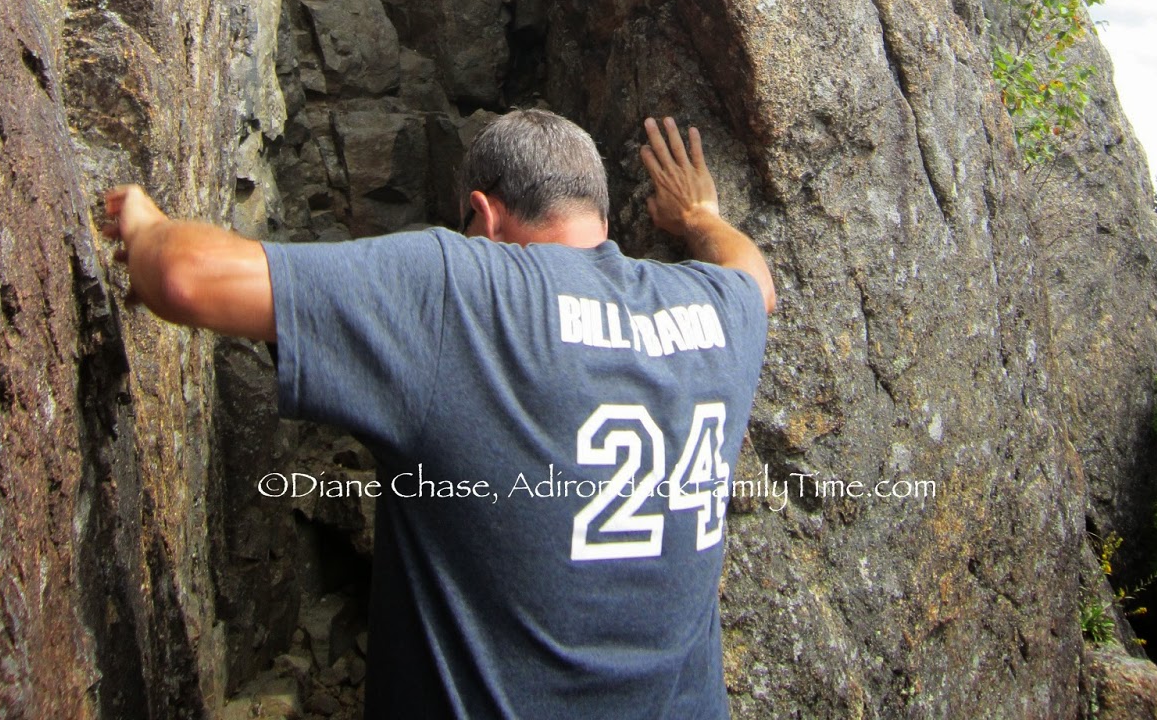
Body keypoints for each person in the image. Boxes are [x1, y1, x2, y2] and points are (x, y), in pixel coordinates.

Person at [103, 110, 775, 719]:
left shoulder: (462, 289)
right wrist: (700, 216)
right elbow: (757, 280)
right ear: (595, 209)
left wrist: (144, 223)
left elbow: (183, 277)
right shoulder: (719, 312)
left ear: (483, 215)